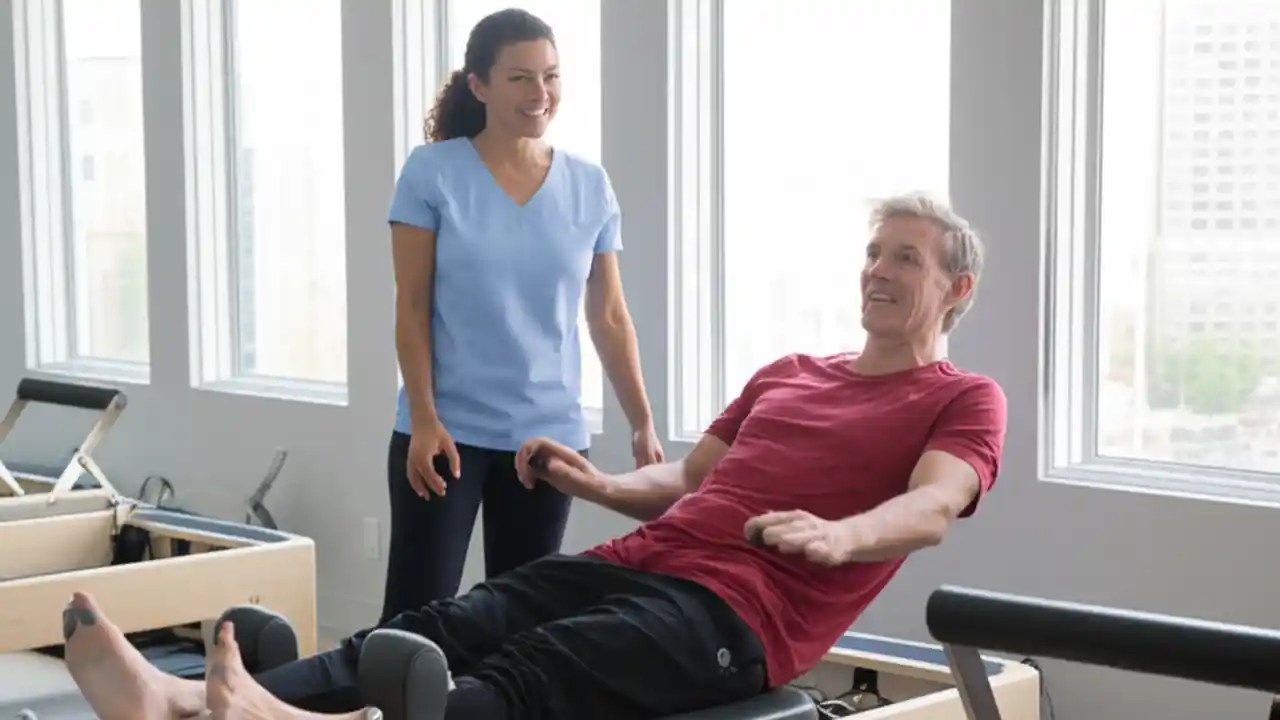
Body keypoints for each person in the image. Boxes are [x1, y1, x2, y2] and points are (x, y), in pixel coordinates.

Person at [60, 193, 1007, 720]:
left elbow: (929, 507)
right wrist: (593, 483)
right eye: (875, 250)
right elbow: (683, 482)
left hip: (740, 614)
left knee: (537, 670)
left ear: (955, 288)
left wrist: (841, 536)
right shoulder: (789, 370)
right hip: (641, 565)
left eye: (907, 259)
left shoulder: (964, 398)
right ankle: (188, 704)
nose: (878, 269)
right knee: (439, 624)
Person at [381, 8, 663, 622]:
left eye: (552, 76)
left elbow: (609, 315)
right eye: (520, 78)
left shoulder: (589, 184)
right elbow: (411, 304)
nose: (541, 94)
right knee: (416, 619)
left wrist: (641, 422)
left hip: (546, 440)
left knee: (520, 624)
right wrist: (424, 419)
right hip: (446, 434)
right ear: (478, 85)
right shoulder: (432, 172)